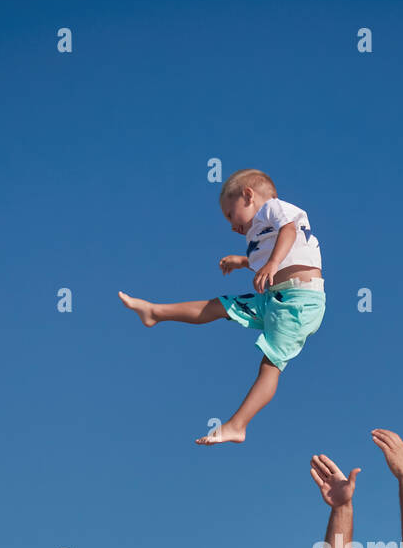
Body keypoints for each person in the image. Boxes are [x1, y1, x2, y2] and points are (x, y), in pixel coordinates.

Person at [119, 168, 324, 444]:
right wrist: (242, 261)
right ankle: (155, 312)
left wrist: (272, 264)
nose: (231, 225)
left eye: (230, 214)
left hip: (299, 302)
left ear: (248, 195)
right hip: (274, 300)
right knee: (220, 306)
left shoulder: (275, 209)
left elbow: (289, 232)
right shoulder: (259, 238)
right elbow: (267, 254)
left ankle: (238, 425)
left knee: (271, 364)